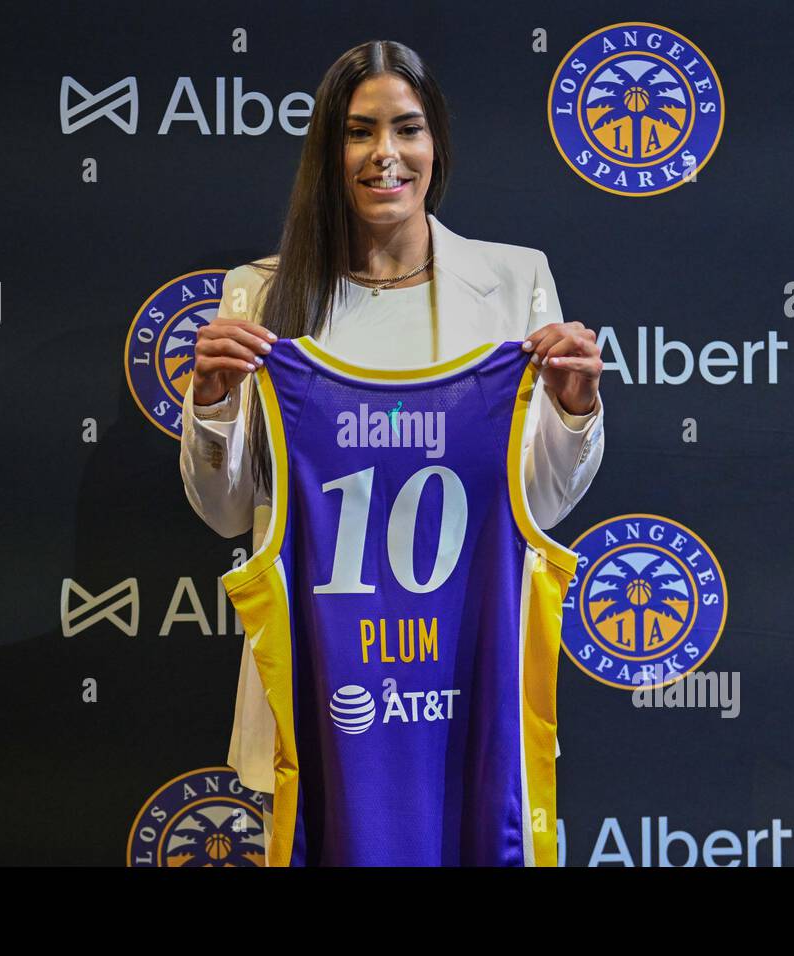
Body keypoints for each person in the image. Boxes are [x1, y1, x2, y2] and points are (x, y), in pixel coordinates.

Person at [179, 39, 605, 859]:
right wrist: (213, 401)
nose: (385, 155)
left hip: (471, 689)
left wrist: (575, 409)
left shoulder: (518, 283)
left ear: (435, 143)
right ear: (327, 152)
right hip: (320, 695)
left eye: (407, 129)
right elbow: (230, 512)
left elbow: (536, 508)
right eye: (358, 131)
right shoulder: (261, 293)